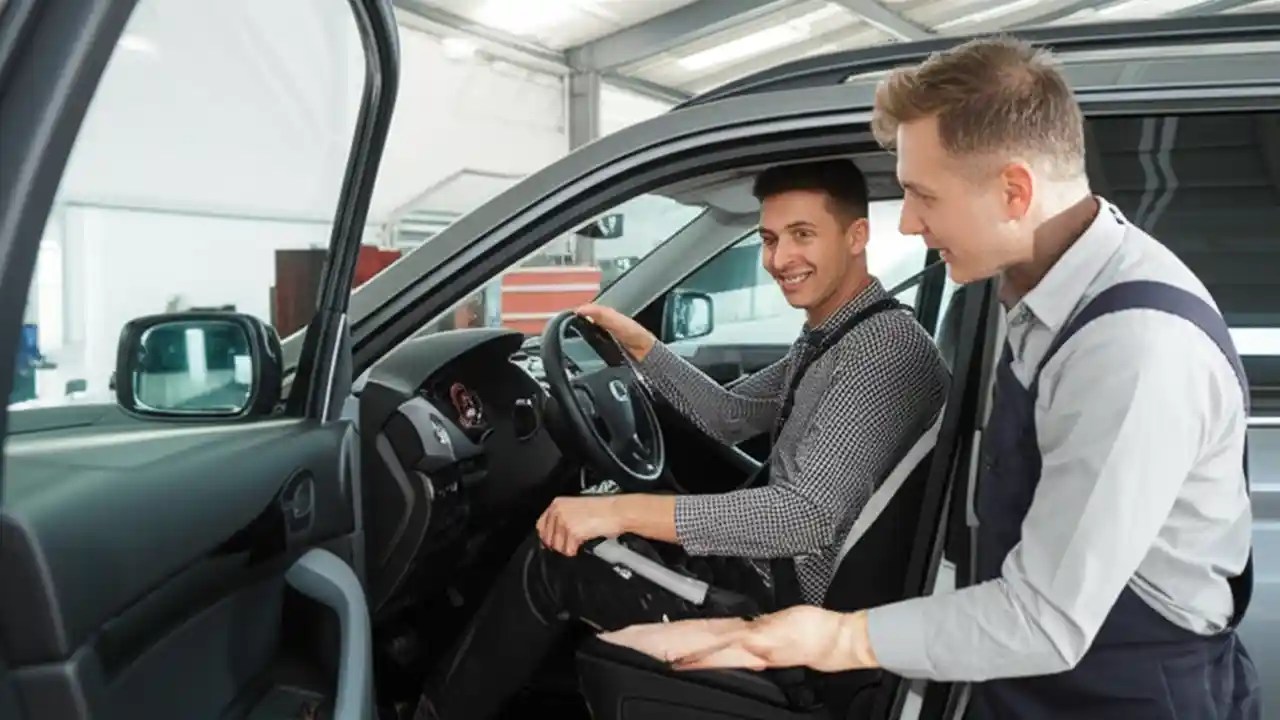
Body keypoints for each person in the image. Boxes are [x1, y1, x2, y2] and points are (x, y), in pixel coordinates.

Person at [603, 34, 1262, 720]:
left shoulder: (1132, 349)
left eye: (923, 195)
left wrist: (831, 636)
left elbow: (1044, 619)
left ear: (1014, 190)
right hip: (1030, 673)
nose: (912, 223)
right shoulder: (1040, 302)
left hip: (1119, 694)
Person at [412, 159, 950, 719]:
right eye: (769, 239)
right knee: (586, 532)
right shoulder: (835, 337)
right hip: (776, 571)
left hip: (791, 608)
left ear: (857, 236)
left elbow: (803, 518)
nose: (780, 259)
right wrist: (643, 345)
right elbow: (733, 415)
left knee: (558, 559)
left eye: (802, 235)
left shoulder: (880, 350)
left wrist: (619, 513)